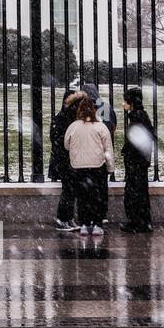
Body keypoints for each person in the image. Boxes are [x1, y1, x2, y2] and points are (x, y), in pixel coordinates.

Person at [65, 94, 114, 236]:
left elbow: (66, 145)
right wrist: (110, 167)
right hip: (97, 166)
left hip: (78, 167)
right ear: (94, 110)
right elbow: (108, 148)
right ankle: (97, 223)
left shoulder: (73, 126)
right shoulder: (100, 127)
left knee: (82, 197)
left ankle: (85, 224)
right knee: (97, 197)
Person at [49, 90, 87, 232]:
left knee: (71, 190)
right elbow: (58, 141)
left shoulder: (66, 118)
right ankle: (63, 218)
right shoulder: (63, 119)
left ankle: (68, 217)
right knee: (68, 190)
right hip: (66, 160)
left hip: (68, 159)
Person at [122, 87, 156, 233]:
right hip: (140, 162)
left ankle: (135, 222)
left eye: (125, 100)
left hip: (135, 162)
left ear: (131, 102)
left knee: (134, 192)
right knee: (140, 192)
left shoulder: (137, 118)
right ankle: (143, 221)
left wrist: (128, 152)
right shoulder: (142, 117)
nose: (123, 103)